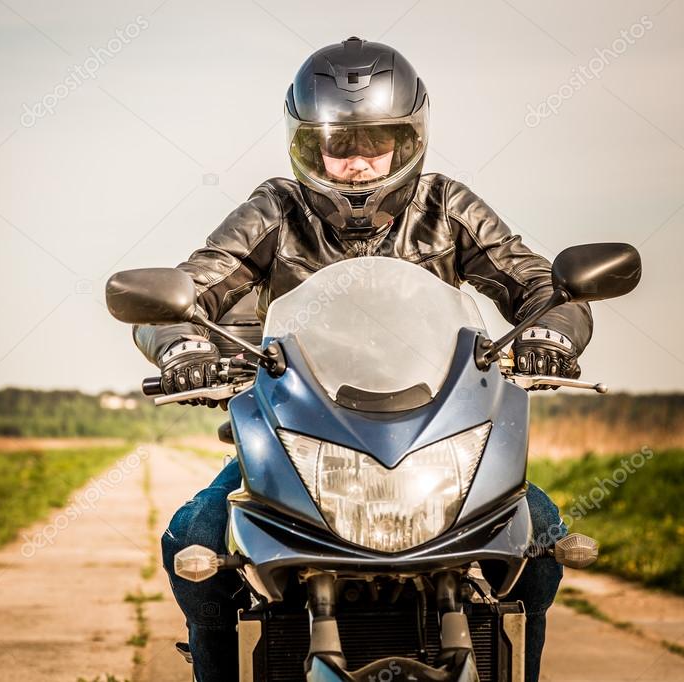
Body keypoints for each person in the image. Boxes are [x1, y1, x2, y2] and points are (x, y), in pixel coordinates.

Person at [129, 37, 591, 682]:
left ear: (409, 141)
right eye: (338, 145)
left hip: (441, 439)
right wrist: (184, 346)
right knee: (195, 541)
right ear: (307, 144)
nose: (357, 163)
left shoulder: (448, 208)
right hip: (301, 440)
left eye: (376, 143)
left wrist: (553, 333)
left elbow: (538, 284)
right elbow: (189, 289)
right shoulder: (274, 210)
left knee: (539, 538)